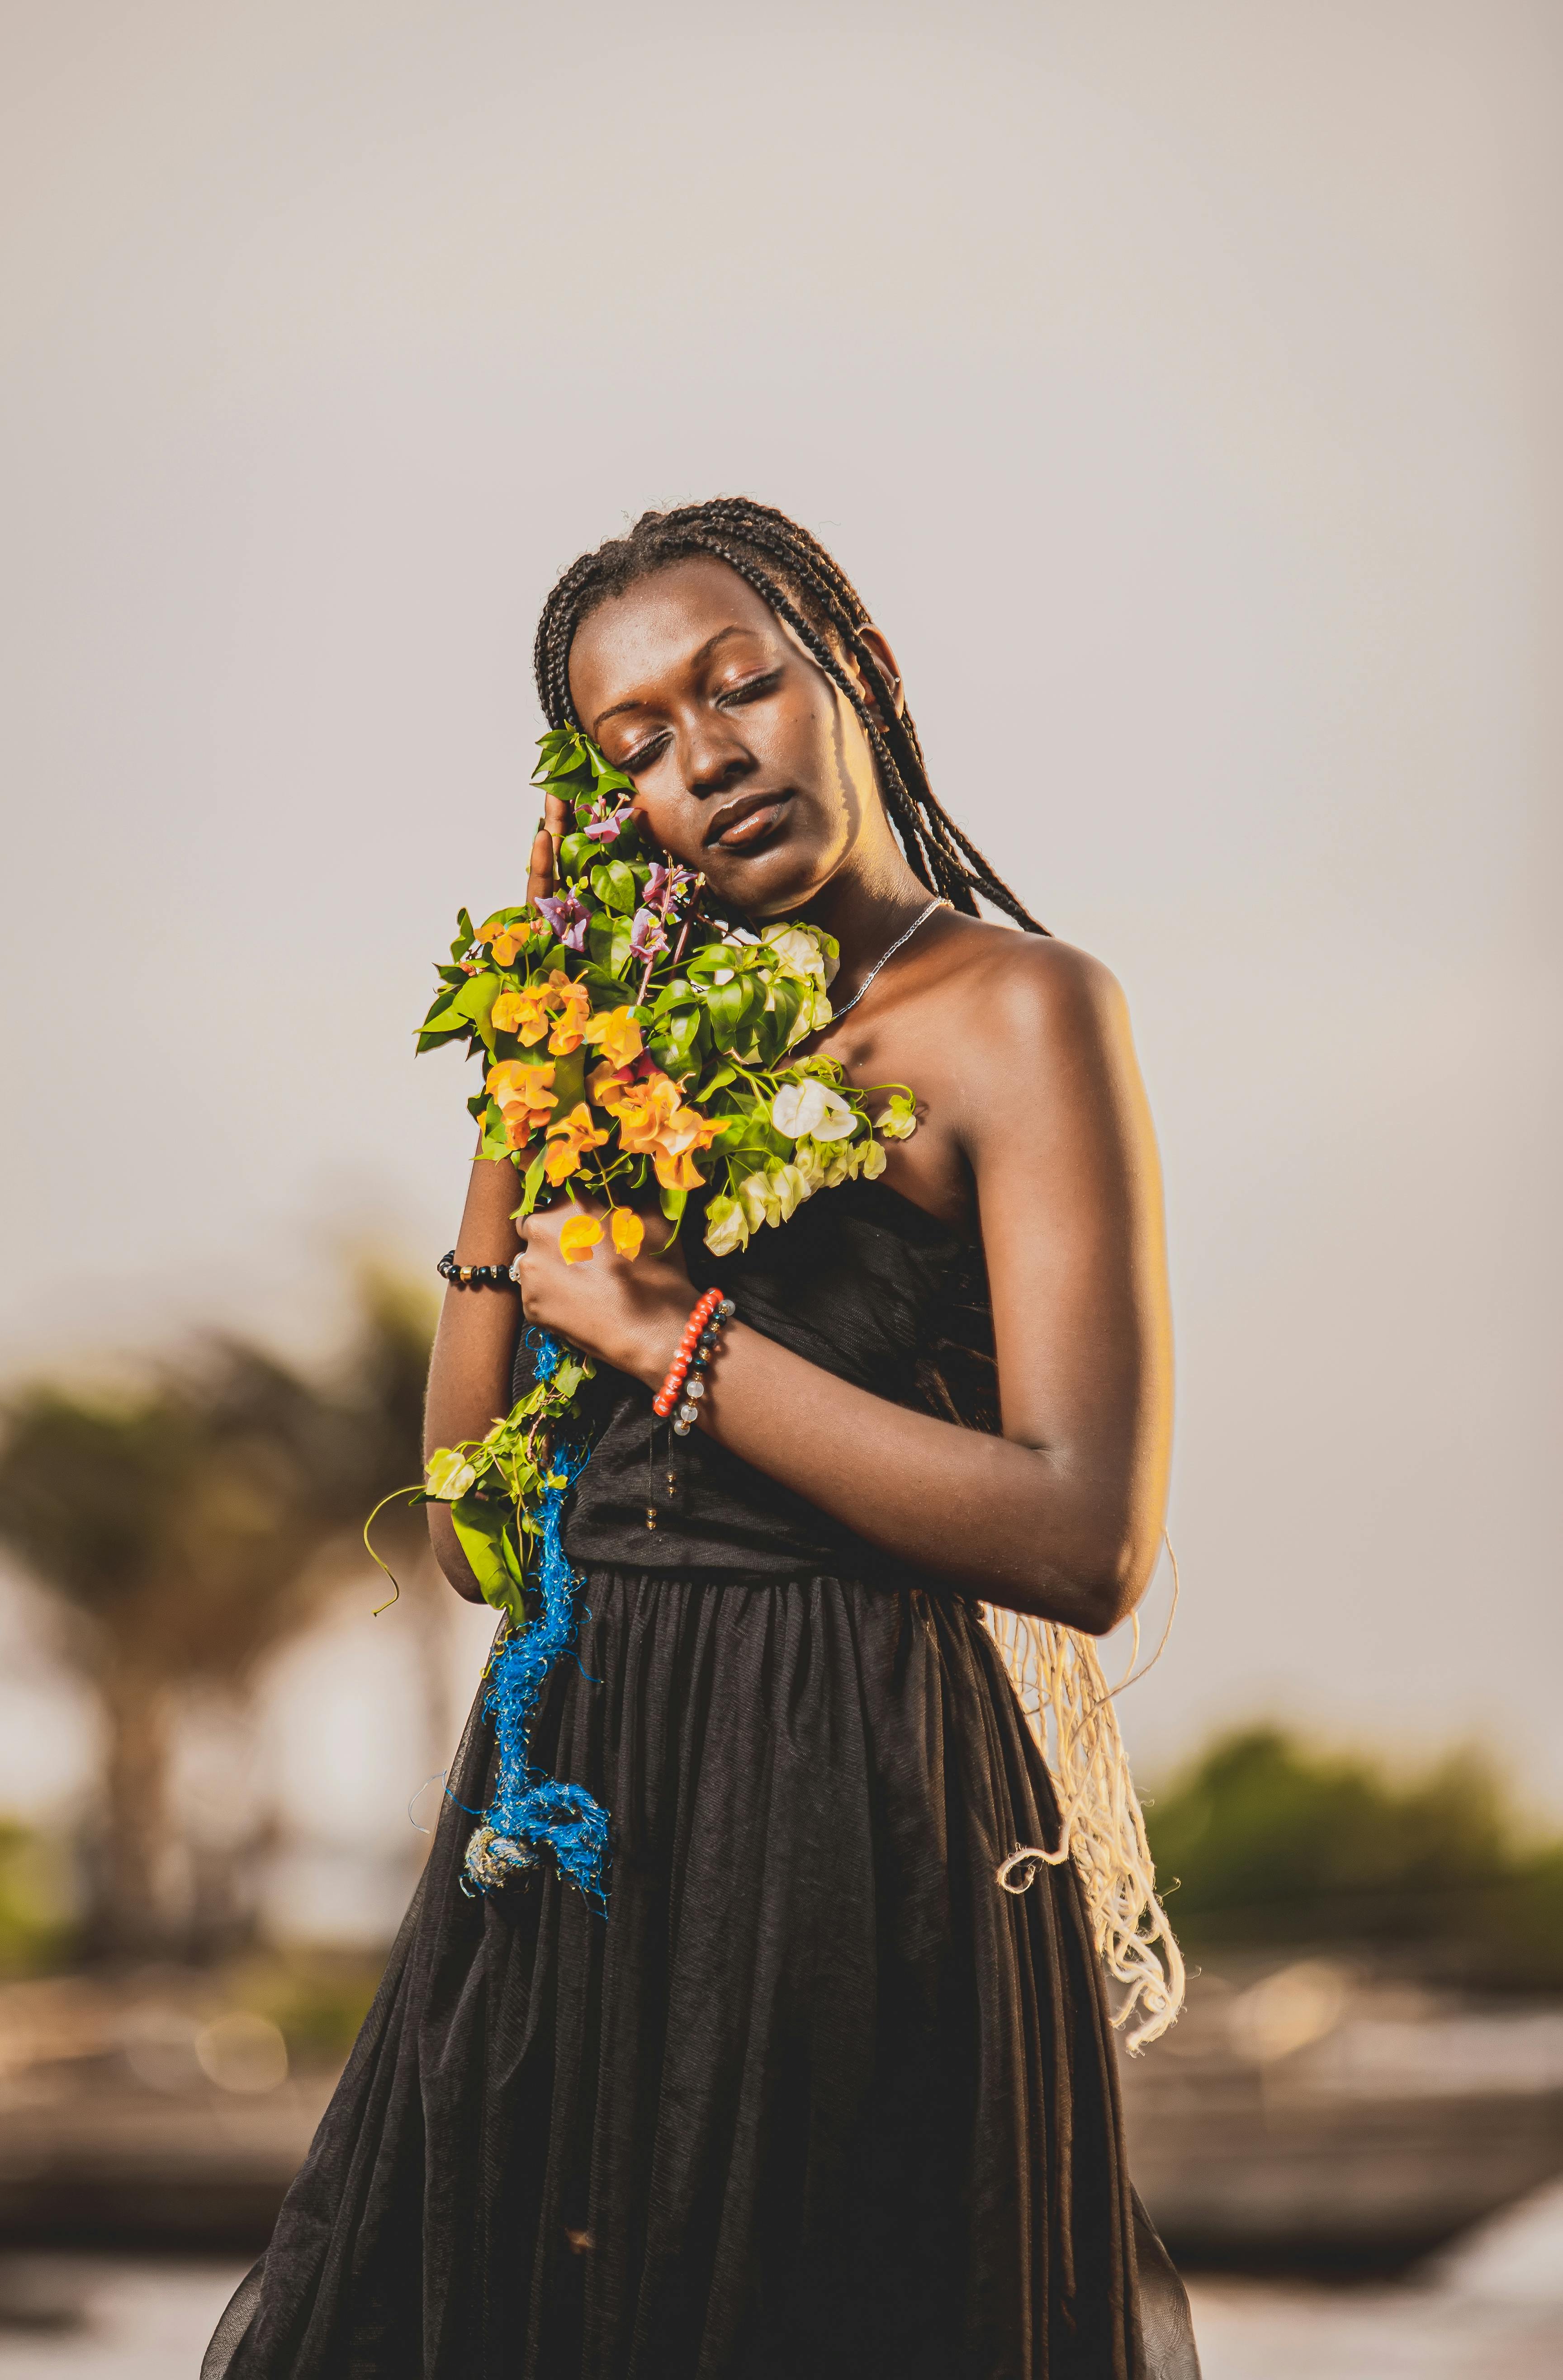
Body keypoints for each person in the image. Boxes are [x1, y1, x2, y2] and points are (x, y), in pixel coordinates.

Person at [205, 497, 1199, 2379]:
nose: (705, 754)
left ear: (860, 676)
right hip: (567, 1791)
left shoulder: (1015, 1012)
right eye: (633, 744)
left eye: (740, 684)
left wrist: (677, 1338)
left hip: (842, 1790)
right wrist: (530, 1077)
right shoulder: (617, 1055)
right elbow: (474, 1529)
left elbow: (1085, 1536)